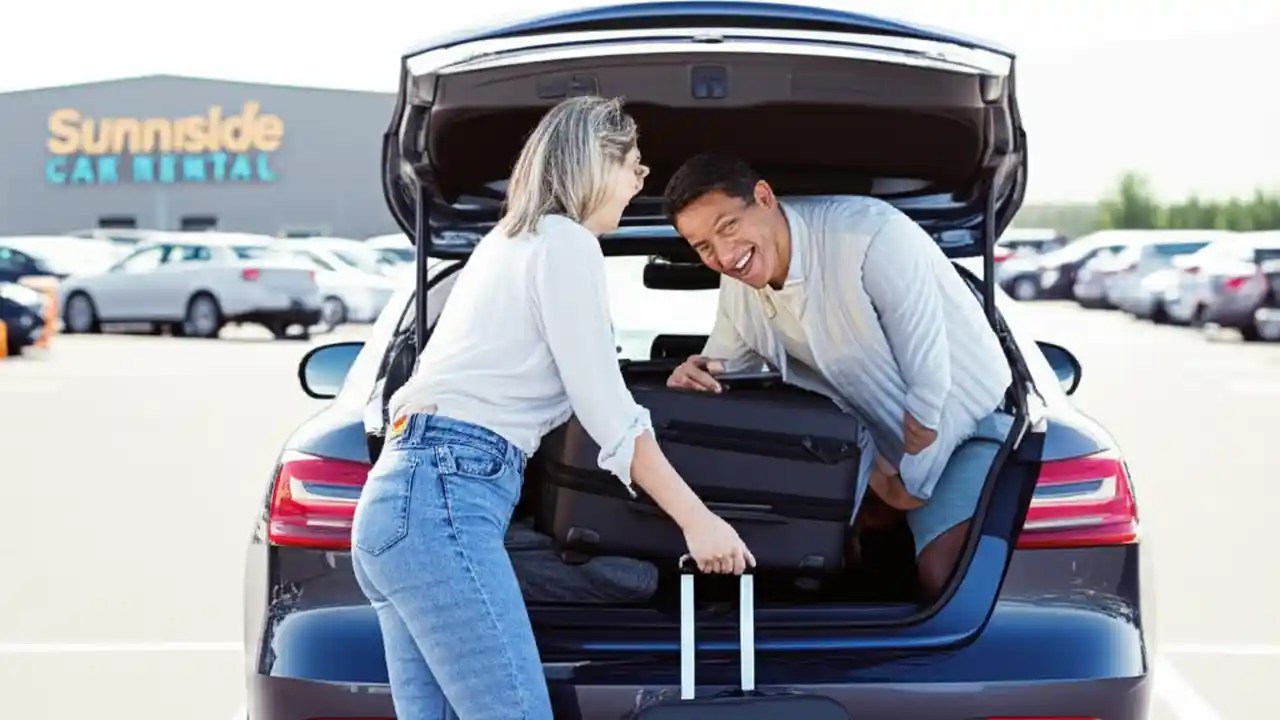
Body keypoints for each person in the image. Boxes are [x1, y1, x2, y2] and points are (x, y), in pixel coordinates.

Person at [350, 99, 755, 720]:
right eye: (635, 165)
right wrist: (698, 521)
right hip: (444, 502)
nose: (641, 179)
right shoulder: (565, 243)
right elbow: (606, 409)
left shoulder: (508, 242)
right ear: (597, 164)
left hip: (398, 506)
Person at [662, 152, 1013, 599]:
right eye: (703, 247)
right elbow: (726, 365)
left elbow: (930, 394)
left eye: (728, 226)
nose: (725, 256)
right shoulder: (741, 282)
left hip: (960, 434)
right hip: (873, 448)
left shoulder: (872, 239)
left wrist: (899, 492)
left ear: (764, 197)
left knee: (946, 577)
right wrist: (696, 376)